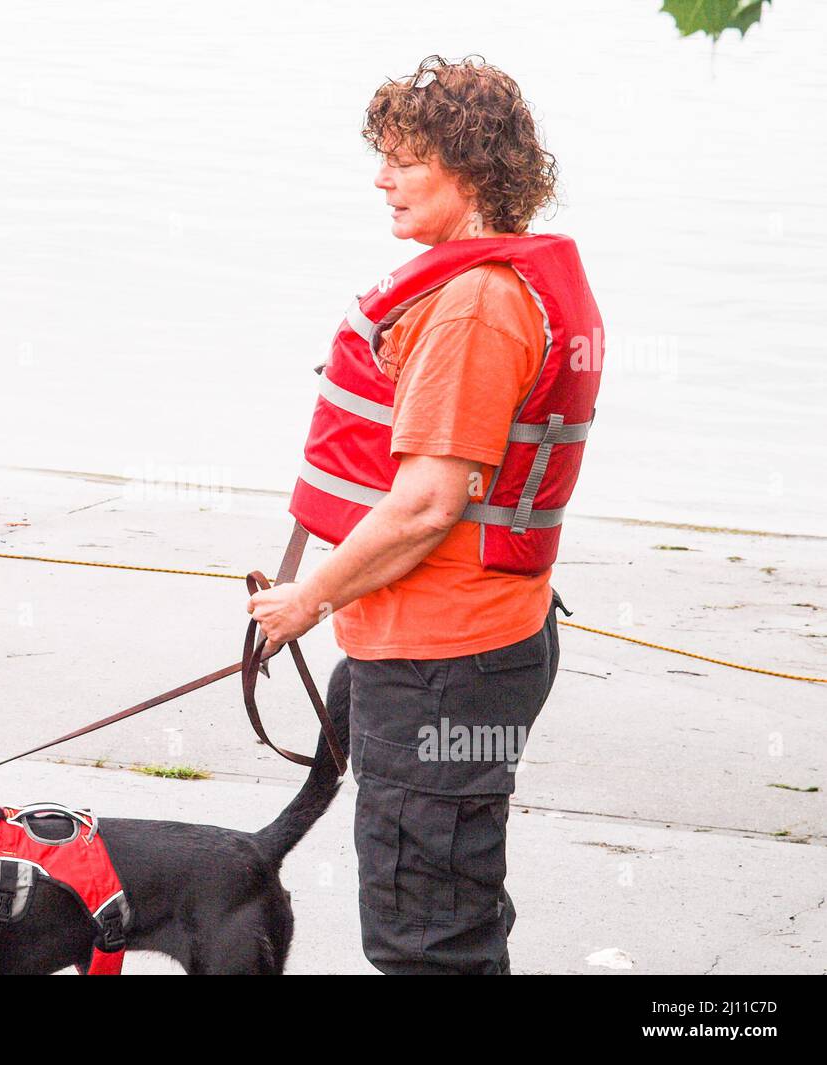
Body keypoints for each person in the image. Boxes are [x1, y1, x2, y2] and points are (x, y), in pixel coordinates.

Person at [248, 54, 603, 974]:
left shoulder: (475, 307)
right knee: (454, 903)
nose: (382, 179)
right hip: (485, 639)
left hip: (446, 659)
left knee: (426, 938)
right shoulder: (504, 284)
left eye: (405, 161)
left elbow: (426, 506)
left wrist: (307, 599)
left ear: (471, 170)